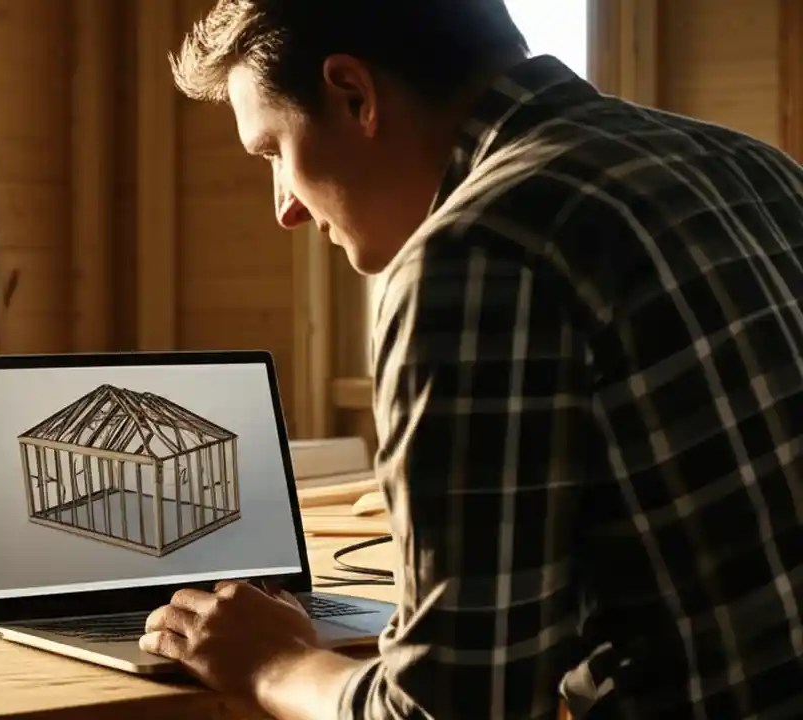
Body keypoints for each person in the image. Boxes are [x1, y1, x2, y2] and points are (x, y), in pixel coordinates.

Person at [138, 1, 803, 718]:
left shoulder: (477, 254)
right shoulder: (757, 167)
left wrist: (275, 663)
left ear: (353, 96)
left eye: (273, 152)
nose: (285, 210)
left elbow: (451, 710)